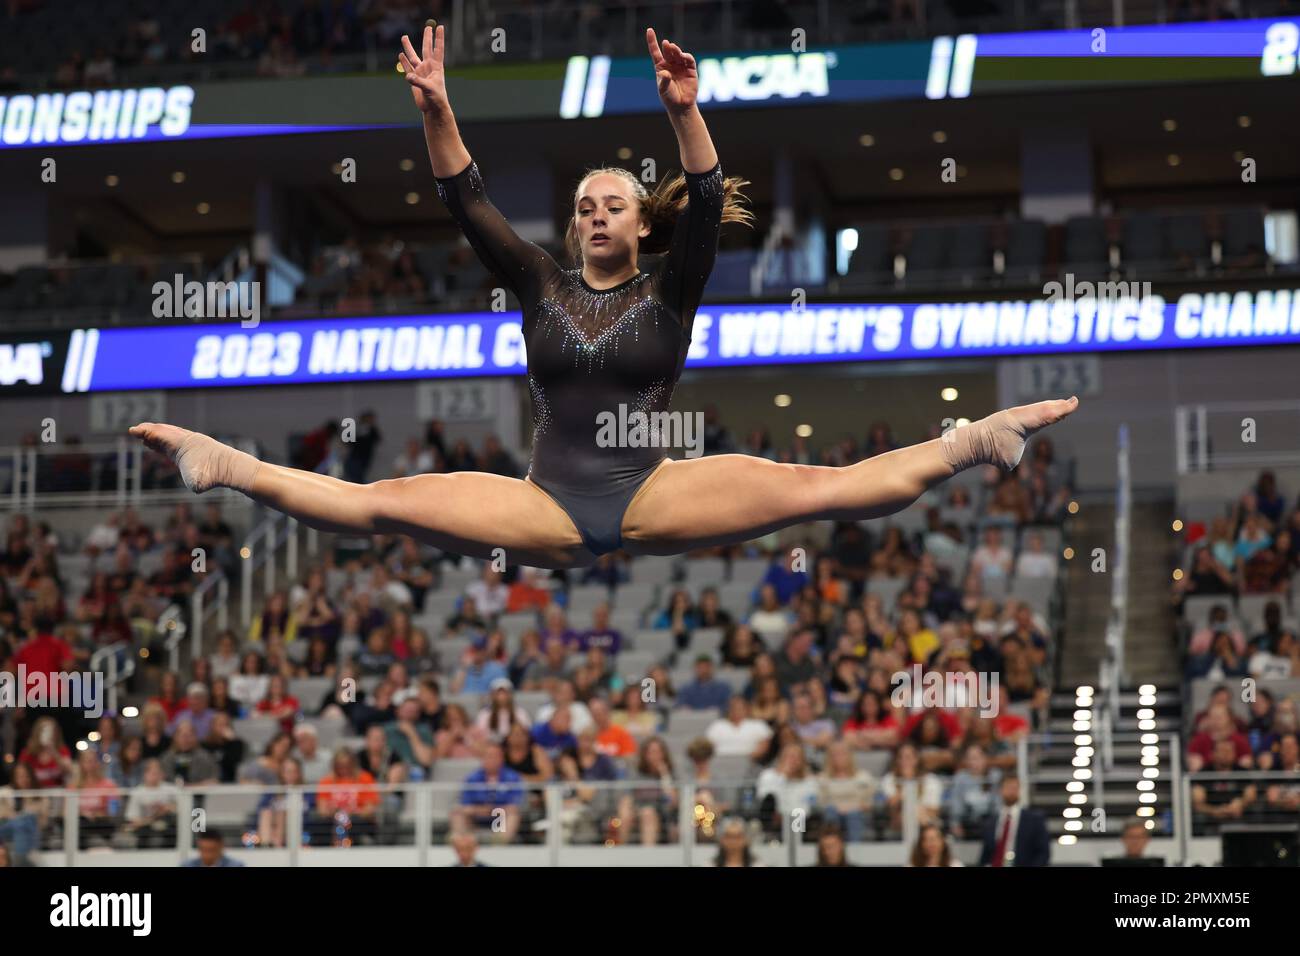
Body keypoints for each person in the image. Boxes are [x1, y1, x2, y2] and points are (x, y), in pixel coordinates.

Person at [127, 24, 1077, 575]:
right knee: (385, 504)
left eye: (610, 204)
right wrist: (437, 112)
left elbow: (705, 199)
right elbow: (469, 203)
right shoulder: (538, 282)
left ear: (639, 226)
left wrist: (683, 111)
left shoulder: (674, 288)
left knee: (810, 492)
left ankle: (971, 442)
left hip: (653, 488)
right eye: (582, 205)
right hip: (545, 500)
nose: (591, 214)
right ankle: (224, 461)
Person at [978, 775, 1051, 867]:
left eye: (1015, 788)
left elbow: (1043, 853)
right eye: (1008, 787)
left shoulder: (1034, 820)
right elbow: (986, 854)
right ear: (1000, 790)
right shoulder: (991, 821)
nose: (1011, 791)